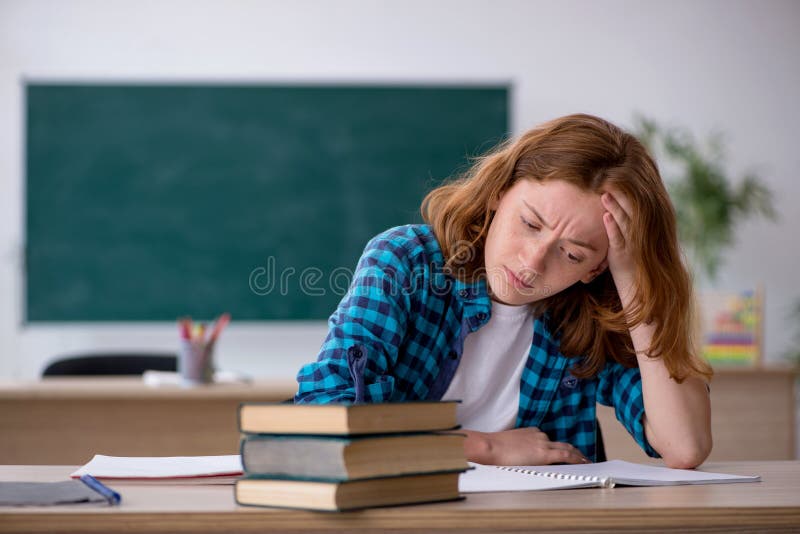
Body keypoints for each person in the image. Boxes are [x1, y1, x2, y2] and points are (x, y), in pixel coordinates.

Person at [295, 113, 713, 469]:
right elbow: (325, 419)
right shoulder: (404, 260)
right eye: (530, 224)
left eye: (572, 254)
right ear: (499, 192)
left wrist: (635, 277)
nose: (531, 264)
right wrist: (485, 447)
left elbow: (684, 446)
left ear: (598, 266)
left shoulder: (594, 309)